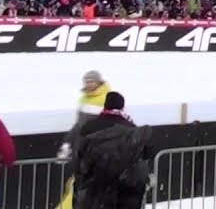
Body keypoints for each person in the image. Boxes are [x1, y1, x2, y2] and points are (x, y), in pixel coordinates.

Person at [73, 92, 152, 209]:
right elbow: (144, 155)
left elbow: (79, 155)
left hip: (95, 188)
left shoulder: (89, 126)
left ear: (105, 106)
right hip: (125, 188)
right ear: (122, 107)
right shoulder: (131, 128)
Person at [55, 70, 113, 209]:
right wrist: (67, 143)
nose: (88, 84)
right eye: (86, 81)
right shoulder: (84, 99)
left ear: (99, 82)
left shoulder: (107, 98)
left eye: (91, 81)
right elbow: (79, 126)